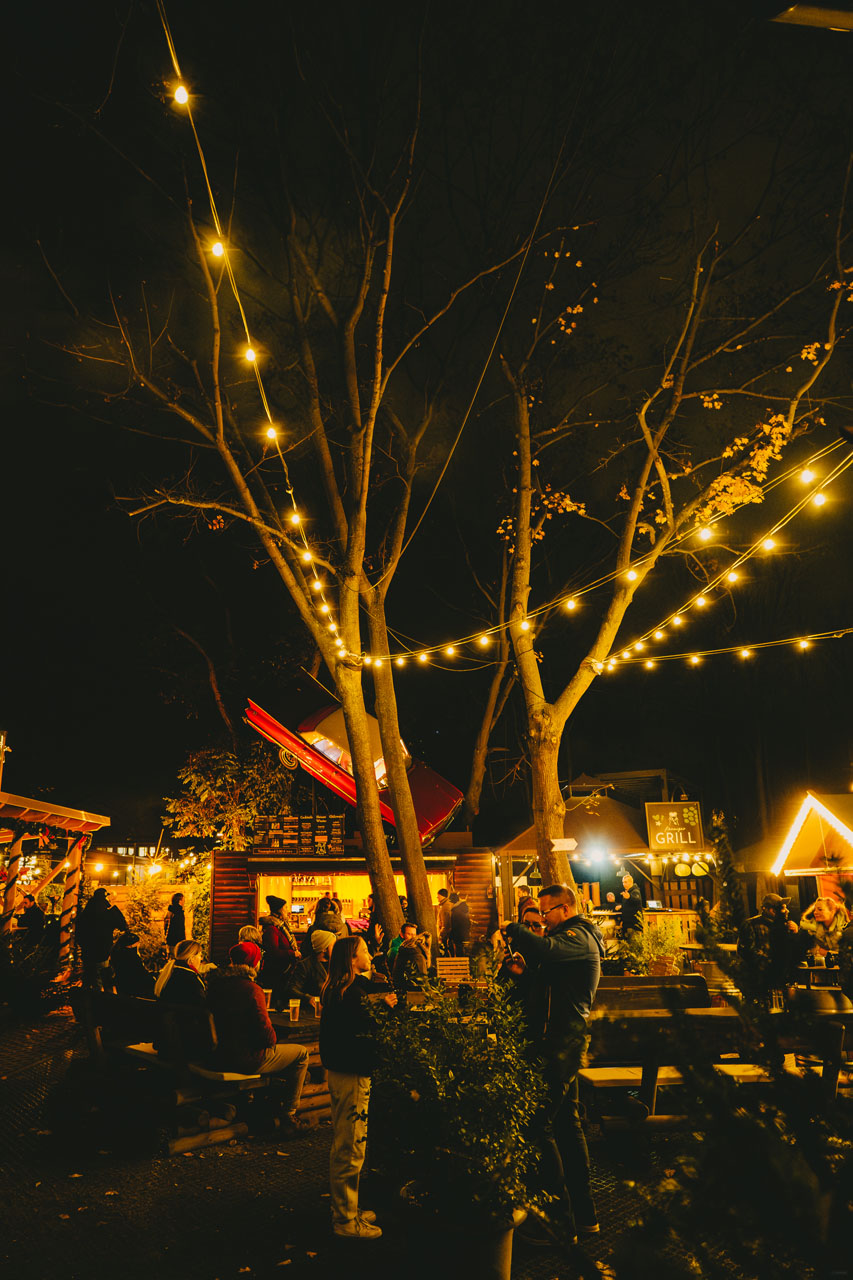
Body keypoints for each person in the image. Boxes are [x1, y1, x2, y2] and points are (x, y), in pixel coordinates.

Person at [506, 883, 604, 1241]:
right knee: (566, 1127)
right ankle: (583, 1216)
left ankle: (558, 1223)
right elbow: (550, 984)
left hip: (561, 1047)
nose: (543, 922)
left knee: (537, 1128)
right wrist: (523, 975)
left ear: (565, 909)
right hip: (560, 1044)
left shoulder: (577, 937)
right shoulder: (569, 942)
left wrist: (513, 928)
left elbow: (544, 949)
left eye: (545, 914)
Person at [320, 935, 398, 1239]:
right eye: (365, 951)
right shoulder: (349, 995)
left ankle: (348, 1208)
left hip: (343, 1072)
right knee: (350, 1147)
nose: (370, 954)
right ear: (353, 959)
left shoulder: (342, 989)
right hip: (352, 1074)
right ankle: (345, 1220)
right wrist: (386, 1008)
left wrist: (379, 998)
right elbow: (365, 1028)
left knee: (349, 1143)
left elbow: (363, 997)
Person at [206, 941, 309, 1134]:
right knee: (301, 1053)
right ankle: (289, 1114)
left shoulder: (215, 985)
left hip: (216, 1054)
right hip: (245, 1058)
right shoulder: (252, 989)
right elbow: (267, 1036)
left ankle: (266, 1103)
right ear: (255, 963)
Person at [737, 893, 802, 993]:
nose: (787, 911)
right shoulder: (751, 924)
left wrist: (796, 934)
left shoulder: (785, 926)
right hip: (757, 981)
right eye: (783, 908)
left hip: (782, 980)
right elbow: (747, 952)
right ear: (770, 910)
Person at [76, 887, 128, 990]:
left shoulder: (85, 914)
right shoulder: (107, 914)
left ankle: (86, 1002)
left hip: (87, 953)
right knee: (102, 979)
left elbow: (78, 933)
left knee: (88, 979)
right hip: (102, 953)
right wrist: (114, 909)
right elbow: (123, 926)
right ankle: (100, 1003)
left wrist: (84, 946)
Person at [260, 896, 301, 1010]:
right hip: (277, 971)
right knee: (276, 1002)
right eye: (285, 908)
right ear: (280, 910)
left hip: (282, 970)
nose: (287, 910)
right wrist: (292, 954)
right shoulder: (272, 929)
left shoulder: (281, 925)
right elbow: (273, 952)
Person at [155, 938, 207, 1005]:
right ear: (191, 959)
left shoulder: (169, 973)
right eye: (200, 955)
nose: (201, 959)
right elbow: (201, 1004)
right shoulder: (192, 979)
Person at [290, 929, 336, 1000]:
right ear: (324, 948)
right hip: (312, 1009)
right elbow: (292, 989)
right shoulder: (305, 965)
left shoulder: (336, 964)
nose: (335, 949)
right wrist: (309, 998)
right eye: (333, 946)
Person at [110, 932, 155, 998]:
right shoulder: (132, 957)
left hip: (121, 985)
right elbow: (141, 973)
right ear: (131, 945)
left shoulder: (116, 952)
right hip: (133, 987)